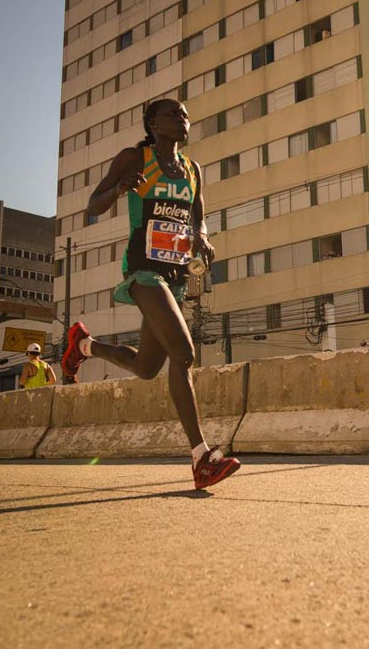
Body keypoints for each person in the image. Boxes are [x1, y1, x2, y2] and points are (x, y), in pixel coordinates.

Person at [61, 99, 240, 490]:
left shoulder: (192, 169)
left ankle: (84, 346)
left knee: (145, 367)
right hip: (143, 270)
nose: (182, 119)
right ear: (153, 124)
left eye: (185, 115)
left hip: (175, 274)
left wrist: (202, 238)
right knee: (184, 353)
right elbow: (93, 205)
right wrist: (119, 189)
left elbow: (198, 217)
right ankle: (201, 458)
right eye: (173, 114)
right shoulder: (135, 158)